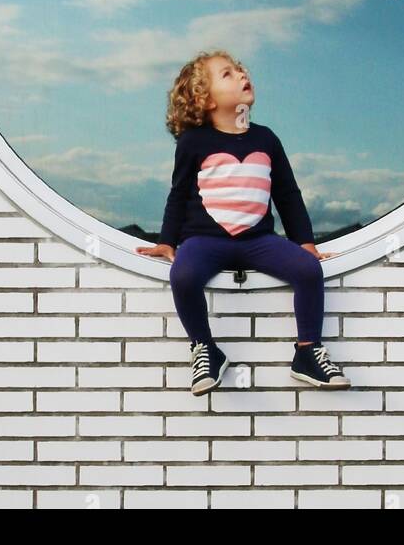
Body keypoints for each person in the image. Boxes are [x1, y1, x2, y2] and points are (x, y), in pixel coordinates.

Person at [138, 50, 350, 395]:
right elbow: (178, 194)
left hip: (258, 241)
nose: (241, 74)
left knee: (309, 271)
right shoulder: (193, 143)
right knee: (184, 276)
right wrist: (167, 241)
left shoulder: (266, 139)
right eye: (227, 74)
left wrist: (304, 242)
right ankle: (205, 348)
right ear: (204, 98)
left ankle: (308, 352)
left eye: (240, 69)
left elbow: (287, 194)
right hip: (205, 241)